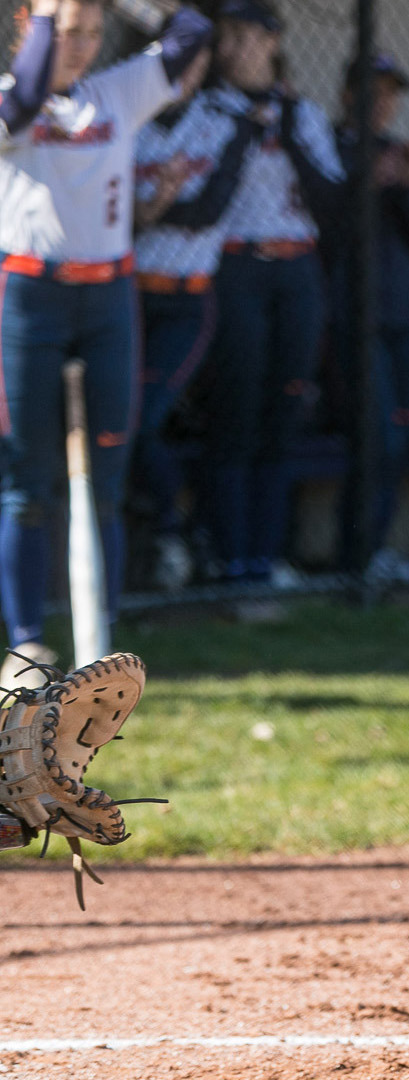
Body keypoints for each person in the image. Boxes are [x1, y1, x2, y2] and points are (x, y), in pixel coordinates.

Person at [0, 0, 212, 683]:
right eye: (67, 31)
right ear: (29, 27)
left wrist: (126, 6)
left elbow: (192, 35)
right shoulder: (10, 94)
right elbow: (28, 97)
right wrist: (44, 24)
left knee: (106, 480)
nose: (84, 46)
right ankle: (26, 642)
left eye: (94, 33)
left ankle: (104, 644)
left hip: (108, 297)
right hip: (30, 295)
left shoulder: (115, 92)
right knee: (26, 482)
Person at [199, 0, 343, 586]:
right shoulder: (207, 109)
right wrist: (244, 133)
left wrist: (284, 132)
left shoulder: (300, 112)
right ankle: (229, 555)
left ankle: (265, 555)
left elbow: (331, 200)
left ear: (272, 40)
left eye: (246, 36)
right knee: (237, 408)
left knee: (285, 407)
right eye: (226, 37)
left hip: (295, 267)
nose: (235, 49)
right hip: (237, 264)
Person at [130, 39, 257, 592]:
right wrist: (154, 204)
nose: (188, 75)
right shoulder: (123, 118)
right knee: (117, 423)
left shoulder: (220, 123)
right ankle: (154, 533)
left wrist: (152, 205)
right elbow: (106, 215)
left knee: (141, 419)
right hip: (128, 296)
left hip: (186, 300)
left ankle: (172, 529)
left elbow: (209, 208)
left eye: (200, 66)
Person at [330, 51, 409, 582]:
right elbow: (327, 231)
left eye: (391, 93)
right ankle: (351, 557)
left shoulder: (405, 157)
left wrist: (405, 186)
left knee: (401, 441)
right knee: (376, 439)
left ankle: (372, 553)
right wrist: (367, 183)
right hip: (355, 321)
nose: (383, 104)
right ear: (348, 95)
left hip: (407, 320)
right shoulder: (327, 149)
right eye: (372, 91)